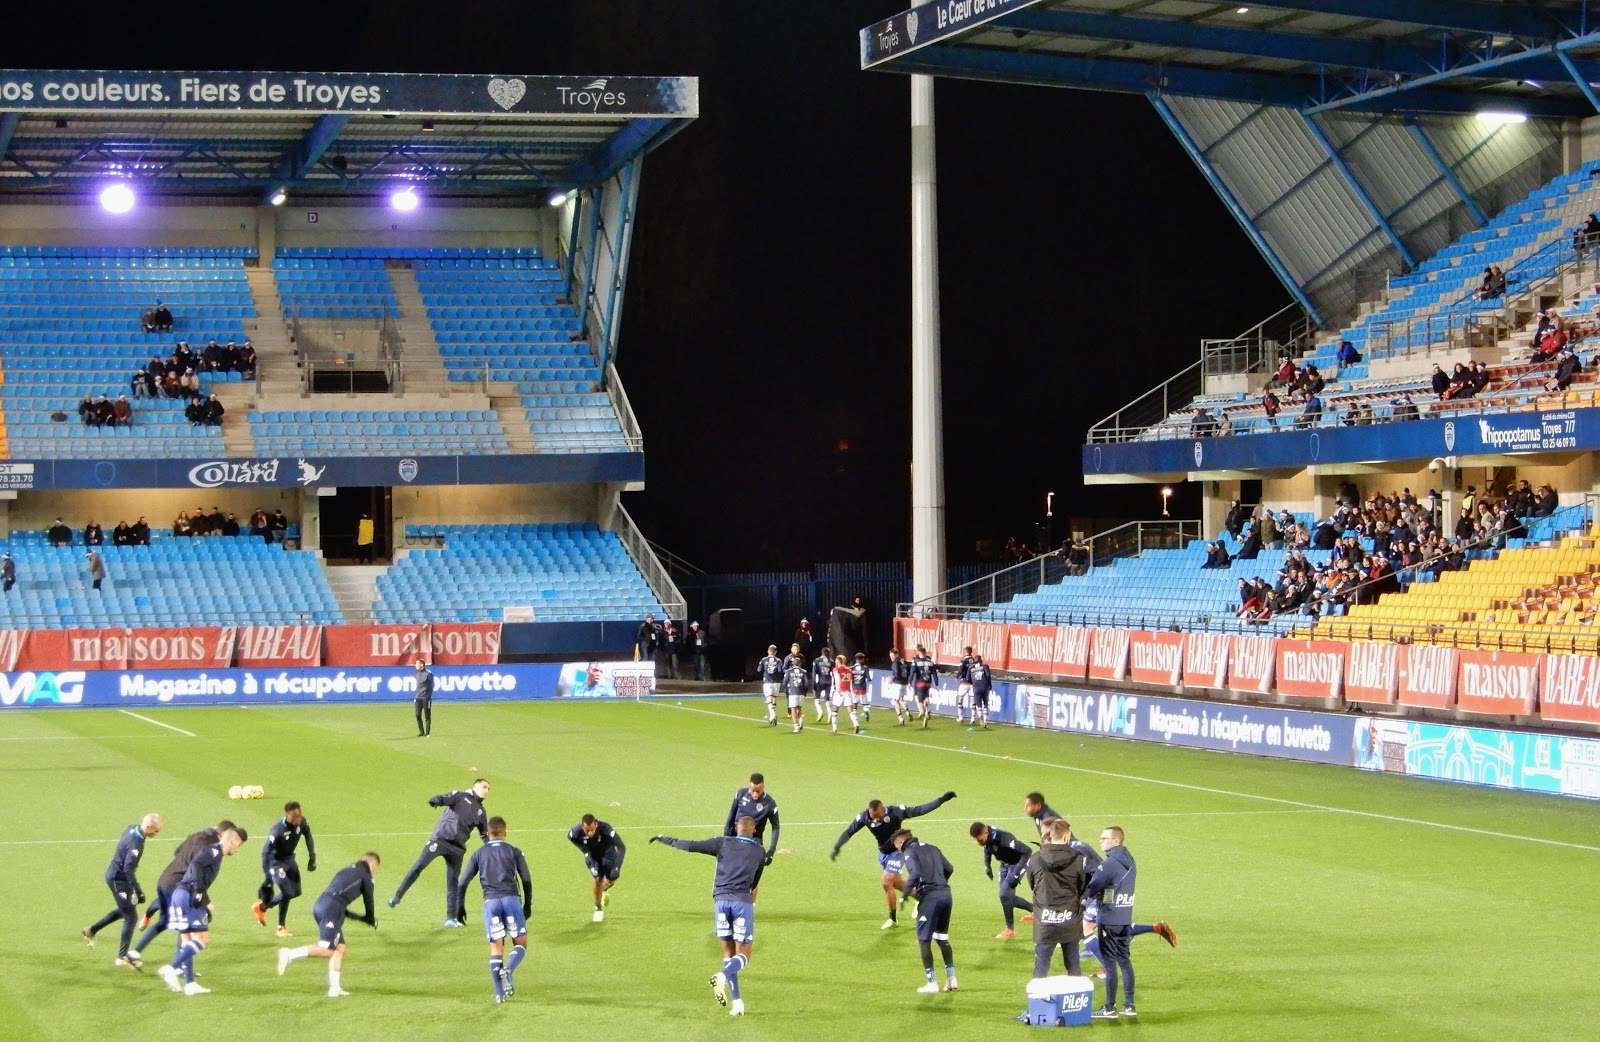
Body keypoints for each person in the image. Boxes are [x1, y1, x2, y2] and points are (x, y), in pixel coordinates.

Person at [650, 816, 768, 1017]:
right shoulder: (759, 852)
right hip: (742, 902)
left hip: (720, 902)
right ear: (754, 830)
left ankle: (737, 1003)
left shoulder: (722, 842)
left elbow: (691, 846)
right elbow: (754, 884)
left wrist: (665, 838)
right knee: (744, 955)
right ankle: (721, 977)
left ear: (735, 829)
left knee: (728, 954)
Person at [830, 791, 957, 929]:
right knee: (896, 884)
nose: (875, 820)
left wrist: (942, 799)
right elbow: (849, 831)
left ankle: (892, 919)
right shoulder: (864, 817)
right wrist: (837, 846)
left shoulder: (896, 812)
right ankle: (922, 898)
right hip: (883, 854)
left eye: (878, 817)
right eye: (873, 817)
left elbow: (920, 809)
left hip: (898, 852)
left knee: (886, 881)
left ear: (882, 808)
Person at [155, 824, 248, 996]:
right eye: (239, 845)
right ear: (233, 841)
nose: (238, 849)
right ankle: (171, 968)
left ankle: (190, 984)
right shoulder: (215, 851)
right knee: (203, 939)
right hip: (188, 896)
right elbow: (196, 864)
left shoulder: (215, 851)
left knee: (187, 940)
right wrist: (198, 893)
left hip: (180, 894)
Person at [276, 852, 380, 999]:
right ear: (373, 864)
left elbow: (340, 901)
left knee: (340, 948)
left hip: (322, 905)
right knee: (328, 950)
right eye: (375, 868)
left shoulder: (346, 871)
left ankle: (334, 989)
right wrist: (370, 918)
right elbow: (369, 901)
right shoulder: (366, 877)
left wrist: (361, 919)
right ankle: (290, 954)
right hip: (331, 910)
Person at [388, 779, 491, 926]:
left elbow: (484, 833)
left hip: (457, 849)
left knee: (452, 883)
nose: (486, 790)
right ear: (474, 786)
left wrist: (492, 845)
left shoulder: (481, 812)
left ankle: (450, 918)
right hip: (440, 840)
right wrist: (436, 800)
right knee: (419, 866)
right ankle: (397, 896)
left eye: (488, 788)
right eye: (484, 787)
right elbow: (445, 798)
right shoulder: (460, 796)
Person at [130, 820, 238, 961]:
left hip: (165, 879)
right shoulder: (211, 848)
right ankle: (179, 966)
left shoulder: (197, 835)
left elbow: (177, 851)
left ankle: (134, 953)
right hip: (179, 885)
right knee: (186, 925)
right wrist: (205, 901)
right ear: (224, 835)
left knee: (166, 920)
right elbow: (196, 873)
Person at [456, 817, 532, 1004]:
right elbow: (526, 879)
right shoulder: (514, 851)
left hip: (491, 902)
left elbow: (463, 882)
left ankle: (499, 994)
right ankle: (509, 970)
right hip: (511, 899)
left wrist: (460, 907)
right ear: (505, 833)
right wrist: (528, 904)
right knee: (520, 943)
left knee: (496, 948)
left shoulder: (478, 853)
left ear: (487, 834)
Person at [82, 813, 162, 968]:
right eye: (156, 830)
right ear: (148, 827)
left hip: (118, 876)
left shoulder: (133, 828)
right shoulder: (136, 844)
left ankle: (91, 930)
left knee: (126, 909)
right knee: (131, 917)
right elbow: (128, 869)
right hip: (118, 879)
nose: (157, 834)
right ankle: (122, 956)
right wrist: (138, 890)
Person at [1023, 817, 1090, 980]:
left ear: (1050, 835)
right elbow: (1082, 887)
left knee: (1041, 968)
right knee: (1073, 967)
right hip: (1070, 919)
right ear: (1067, 836)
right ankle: (1076, 1004)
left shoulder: (1036, 858)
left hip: (1045, 919)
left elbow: (1032, 883)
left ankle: (1037, 1005)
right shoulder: (1078, 859)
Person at [891, 829, 958, 994]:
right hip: (946, 895)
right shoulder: (933, 848)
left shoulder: (909, 852)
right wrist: (940, 882)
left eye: (897, 847)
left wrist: (905, 894)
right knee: (942, 938)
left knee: (924, 940)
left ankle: (932, 983)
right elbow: (949, 868)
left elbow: (914, 873)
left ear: (900, 843)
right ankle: (951, 979)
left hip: (930, 898)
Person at [1087, 825, 1139, 1019]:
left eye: (1104, 838)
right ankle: (1130, 1005)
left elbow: (1093, 888)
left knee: (1109, 964)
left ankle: (1109, 1008)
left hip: (1109, 919)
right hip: (1125, 917)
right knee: (1125, 961)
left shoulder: (1108, 864)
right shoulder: (1131, 861)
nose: (1100, 841)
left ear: (1115, 841)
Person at [253, 801, 318, 938]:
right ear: (287, 816)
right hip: (276, 863)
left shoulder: (302, 823)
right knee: (287, 892)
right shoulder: (277, 831)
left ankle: (262, 907)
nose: (298, 819)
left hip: (289, 860)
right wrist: (268, 877)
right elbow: (266, 853)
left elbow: (308, 836)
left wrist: (312, 856)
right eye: (294, 817)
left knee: (296, 892)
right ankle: (280, 927)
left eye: (299, 816)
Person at [568, 814, 626, 922]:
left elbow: (621, 847)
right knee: (598, 880)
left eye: (592, 830)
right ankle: (598, 908)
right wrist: (585, 852)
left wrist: (617, 867)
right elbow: (572, 838)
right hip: (593, 855)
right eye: (586, 830)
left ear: (596, 824)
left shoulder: (605, 828)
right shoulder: (575, 833)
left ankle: (605, 888)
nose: (589, 833)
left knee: (611, 879)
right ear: (582, 827)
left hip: (608, 854)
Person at [723, 773, 780, 874]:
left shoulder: (770, 804)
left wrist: (771, 851)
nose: (755, 794)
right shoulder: (740, 794)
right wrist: (726, 836)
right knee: (730, 871)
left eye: (758, 791)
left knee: (751, 875)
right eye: (753, 790)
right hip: (735, 838)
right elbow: (731, 815)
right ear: (749, 786)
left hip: (754, 841)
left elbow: (775, 827)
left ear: (763, 786)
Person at [830, 653, 860, 734]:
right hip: (848, 691)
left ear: (840, 661)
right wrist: (851, 690)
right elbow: (851, 682)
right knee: (850, 708)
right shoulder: (849, 670)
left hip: (840, 691)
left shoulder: (836, 670)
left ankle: (834, 728)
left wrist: (837, 690)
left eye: (836, 660)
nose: (835, 661)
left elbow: (837, 680)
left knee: (835, 708)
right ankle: (856, 723)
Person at [910, 644, 938, 727]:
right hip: (928, 683)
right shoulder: (930, 661)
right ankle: (927, 710)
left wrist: (909, 681)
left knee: (919, 701)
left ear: (919, 652)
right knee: (926, 698)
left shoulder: (916, 661)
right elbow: (934, 674)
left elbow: (912, 672)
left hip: (919, 683)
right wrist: (936, 684)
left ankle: (924, 712)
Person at [757, 644, 783, 726]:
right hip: (776, 682)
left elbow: (759, 670)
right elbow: (780, 670)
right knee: (774, 699)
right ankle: (773, 716)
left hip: (767, 682)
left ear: (768, 651)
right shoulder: (778, 660)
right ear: (775, 652)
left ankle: (772, 715)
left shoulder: (764, 660)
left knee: (769, 700)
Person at [783, 655, 809, 732]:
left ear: (792, 664)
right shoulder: (804, 672)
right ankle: (801, 718)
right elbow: (806, 683)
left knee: (793, 709)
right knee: (799, 708)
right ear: (800, 664)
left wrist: (786, 691)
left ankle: (796, 725)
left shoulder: (788, 672)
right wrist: (805, 692)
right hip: (801, 692)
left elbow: (785, 682)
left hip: (792, 692)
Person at [886, 647, 911, 725]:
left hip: (898, 683)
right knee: (901, 699)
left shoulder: (895, 663)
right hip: (905, 683)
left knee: (895, 701)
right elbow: (909, 670)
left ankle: (901, 719)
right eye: (890, 656)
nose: (891, 658)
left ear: (896, 654)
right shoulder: (904, 661)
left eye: (892, 656)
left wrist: (892, 678)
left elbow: (896, 673)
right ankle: (907, 712)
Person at [968, 654, 994, 729]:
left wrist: (973, 682)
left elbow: (968, 678)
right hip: (985, 687)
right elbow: (988, 675)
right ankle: (985, 721)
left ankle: (980, 717)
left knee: (978, 704)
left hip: (976, 688)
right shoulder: (985, 666)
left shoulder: (971, 668)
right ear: (981, 660)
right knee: (985, 704)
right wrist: (989, 684)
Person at [810, 645, 834, 724]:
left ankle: (820, 712)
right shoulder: (831, 661)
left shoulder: (817, 660)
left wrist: (814, 683)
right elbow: (833, 673)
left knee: (817, 698)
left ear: (822, 652)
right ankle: (830, 714)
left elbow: (814, 673)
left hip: (820, 681)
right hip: (829, 681)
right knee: (827, 699)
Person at [954, 645, 976, 724]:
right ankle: (973, 719)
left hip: (964, 683)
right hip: (973, 683)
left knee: (960, 699)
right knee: (973, 700)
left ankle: (960, 717)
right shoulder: (974, 660)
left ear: (965, 652)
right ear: (971, 652)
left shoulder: (963, 661)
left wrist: (957, 677)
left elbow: (960, 670)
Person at [413, 659, 434, 736]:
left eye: (417, 664)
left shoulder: (428, 674)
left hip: (426, 698)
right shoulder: (416, 674)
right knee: (418, 715)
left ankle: (427, 732)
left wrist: (428, 695)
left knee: (427, 715)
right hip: (418, 697)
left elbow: (432, 685)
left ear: (422, 665)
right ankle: (421, 732)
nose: (415, 665)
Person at [850, 651, 871, 724]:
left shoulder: (851, 668)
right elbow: (868, 678)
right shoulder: (865, 668)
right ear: (861, 659)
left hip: (855, 687)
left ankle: (854, 715)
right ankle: (866, 711)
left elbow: (850, 678)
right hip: (862, 688)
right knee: (864, 702)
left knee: (855, 702)